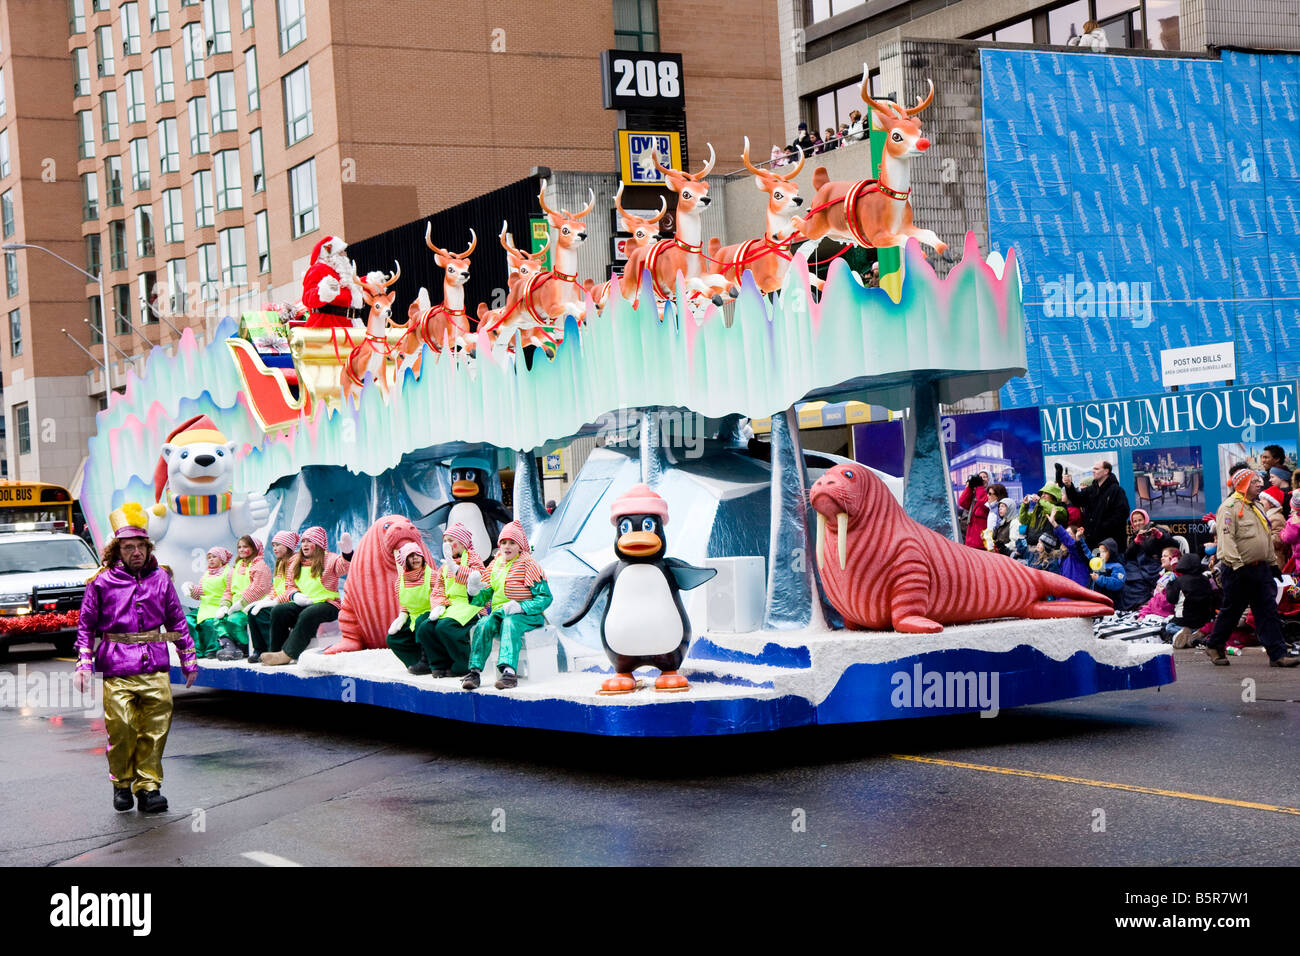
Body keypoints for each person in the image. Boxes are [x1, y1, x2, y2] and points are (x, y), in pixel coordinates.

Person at [75, 507, 197, 813]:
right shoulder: (100, 583)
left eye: (141, 546)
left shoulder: (161, 579)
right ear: (118, 550)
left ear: (148, 547)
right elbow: (86, 626)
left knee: (156, 728)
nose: (136, 552)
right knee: (123, 728)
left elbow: (177, 621)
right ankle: (121, 783)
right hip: (117, 666)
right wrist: (84, 664)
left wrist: (188, 658)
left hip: (154, 664)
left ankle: (149, 787)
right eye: (129, 547)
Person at [1204, 470, 1300, 667]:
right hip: (1238, 570)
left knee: (1268, 611)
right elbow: (1227, 539)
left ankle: (1277, 654)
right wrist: (1238, 566)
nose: (1260, 484)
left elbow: (1264, 537)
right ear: (1243, 485)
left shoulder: (1256, 506)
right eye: (1254, 481)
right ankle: (1214, 645)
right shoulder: (1229, 508)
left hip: (1261, 569)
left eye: (1259, 480)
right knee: (1232, 611)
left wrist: (1272, 564)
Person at [462, 521, 553, 691]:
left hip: (527, 616)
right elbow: (483, 598)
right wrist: (473, 592)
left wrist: (521, 606)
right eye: (503, 542)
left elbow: (545, 597)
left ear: (520, 546)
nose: (507, 546)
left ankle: (509, 673)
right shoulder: (495, 564)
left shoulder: (529, 564)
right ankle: (474, 672)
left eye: (512, 542)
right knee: (483, 624)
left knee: (509, 624)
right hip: (499, 613)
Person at [261, 526, 354, 666]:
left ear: (318, 544)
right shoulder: (296, 562)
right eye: (303, 541)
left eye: (309, 541)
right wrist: (295, 595)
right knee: (279, 611)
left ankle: (287, 654)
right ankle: (275, 651)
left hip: (328, 604)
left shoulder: (330, 559)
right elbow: (290, 586)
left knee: (308, 614)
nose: (304, 544)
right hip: (303, 603)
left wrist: (347, 554)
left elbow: (343, 567)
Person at [413, 523, 487, 678]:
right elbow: (438, 589)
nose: (447, 544)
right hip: (450, 607)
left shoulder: (473, 558)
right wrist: (438, 606)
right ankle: (439, 664)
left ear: (462, 543)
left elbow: (480, 578)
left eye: (451, 540)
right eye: (445, 540)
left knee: (445, 626)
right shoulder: (444, 566)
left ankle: (464, 662)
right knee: (426, 627)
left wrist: (456, 567)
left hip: (471, 606)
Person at [213, 535, 272, 661]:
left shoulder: (259, 566)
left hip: (251, 606)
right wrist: (225, 605)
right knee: (219, 620)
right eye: (239, 547)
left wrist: (242, 603)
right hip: (235, 607)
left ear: (254, 548)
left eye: (245, 546)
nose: (241, 549)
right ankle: (230, 647)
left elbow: (260, 588)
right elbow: (229, 590)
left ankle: (243, 647)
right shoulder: (236, 567)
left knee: (234, 620)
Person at [243, 530, 298, 664]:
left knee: (266, 613)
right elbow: (275, 588)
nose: (274, 548)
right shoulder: (280, 563)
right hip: (279, 600)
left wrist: (272, 602)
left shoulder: (296, 561)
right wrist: (266, 600)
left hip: (292, 600)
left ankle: (273, 649)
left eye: (278, 545)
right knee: (253, 612)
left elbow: (293, 587)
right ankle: (259, 650)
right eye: (273, 545)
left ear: (288, 546)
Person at [385, 542, 436, 675]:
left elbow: (441, 595)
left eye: (417, 554)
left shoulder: (432, 576)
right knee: (393, 638)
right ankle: (416, 661)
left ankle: (428, 661)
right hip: (412, 617)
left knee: (421, 623)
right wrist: (402, 616)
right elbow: (403, 603)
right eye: (410, 556)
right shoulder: (399, 582)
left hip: (432, 614)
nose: (415, 558)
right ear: (405, 561)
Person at [1064, 460, 1131, 551]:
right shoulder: (1091, 490)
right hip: (1091, 542)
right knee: (1093, 564)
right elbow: (1077, 500)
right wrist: (1069, 486)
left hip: (1109, 544)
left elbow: (1122, 513)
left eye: (1096, 469)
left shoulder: (1117, 490)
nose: (1093, 471)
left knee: (1106, 565)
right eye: (1093, 469)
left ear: (1106, 471)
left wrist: (1102, 526)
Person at [182, 546, 233, 660]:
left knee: (209, 622)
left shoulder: (228, 573)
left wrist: (225, 606)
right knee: (188, 619)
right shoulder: (206, 574)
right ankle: (196, 649)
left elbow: (231, 591)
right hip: (204, 607)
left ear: (222, 558)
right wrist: (190, 588)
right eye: (209, 557)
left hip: (220, 606)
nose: (211, 559)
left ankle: (212, 649)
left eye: (214, 557)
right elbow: (199, 594)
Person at [1166, 553, 1221, 647]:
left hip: (1183, 620)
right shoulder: (1205, 580)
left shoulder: (1178, 581)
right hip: (1204, 620)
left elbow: (1171, 599)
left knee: (1168, 627)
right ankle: (1196, 634)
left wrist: (1169, 586)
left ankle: (1186, 634)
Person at [1047, 513, 1092, 588]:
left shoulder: (1078, 553)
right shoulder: (1061, 554)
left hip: (1076, 593)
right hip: (1064, 592)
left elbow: (1071, 543)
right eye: (1065, 532)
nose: (1065, 535)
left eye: (1068, 533)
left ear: (1076, 536)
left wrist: (1055, 524)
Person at [957, 473, 989, 549]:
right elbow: (962, 502)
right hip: (970, 540)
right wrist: (970, 487)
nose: (982, 479)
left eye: (984, 477)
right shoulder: (975, 494)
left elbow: (984, 504)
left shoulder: (992, 494)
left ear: (989, 479)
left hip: (982, 542)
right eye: (980, 477)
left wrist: (979, 487)